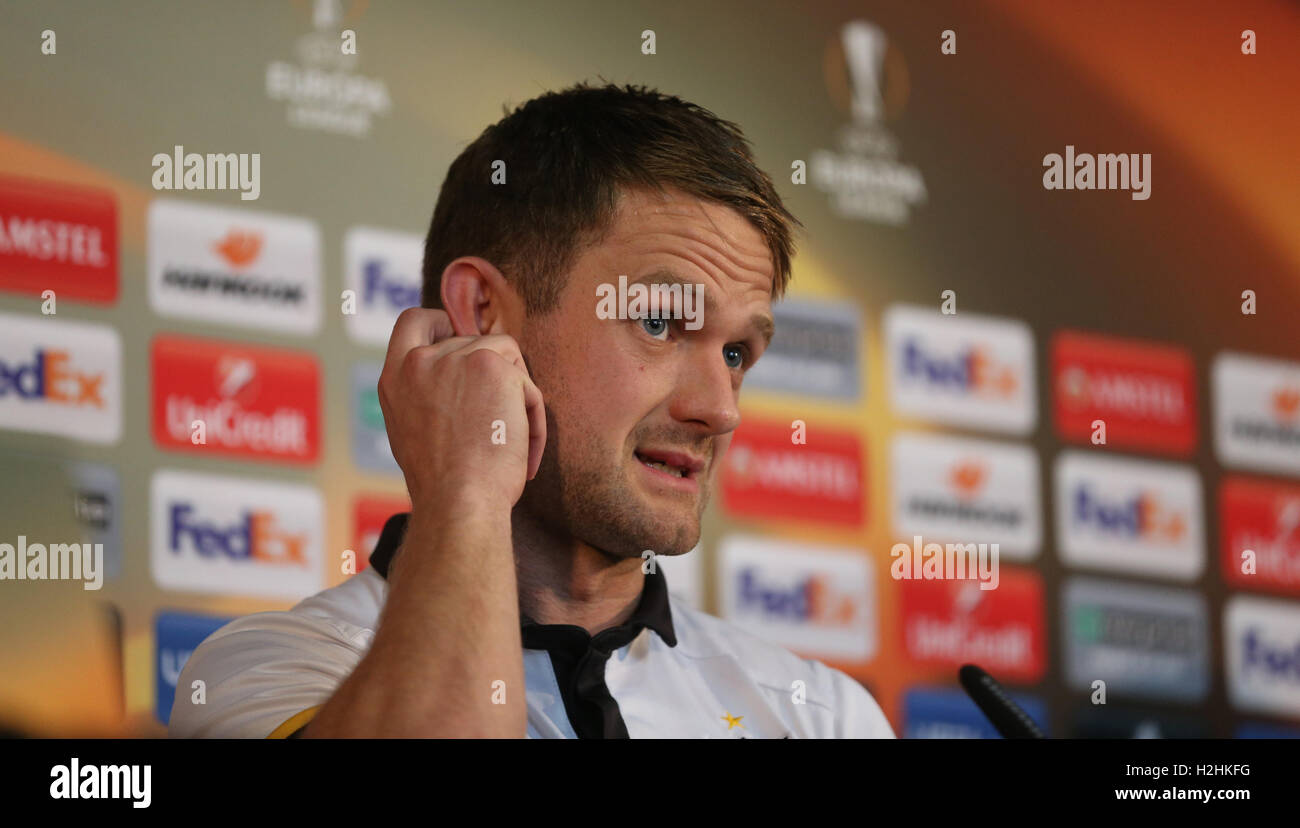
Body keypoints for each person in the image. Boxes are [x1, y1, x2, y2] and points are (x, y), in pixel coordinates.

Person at [169, 81, 895, 738]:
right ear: (483, 313)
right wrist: (469, 482)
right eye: (659, 323)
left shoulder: (821, 716)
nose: (719, 409)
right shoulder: (270, 668)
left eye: (737, 354)